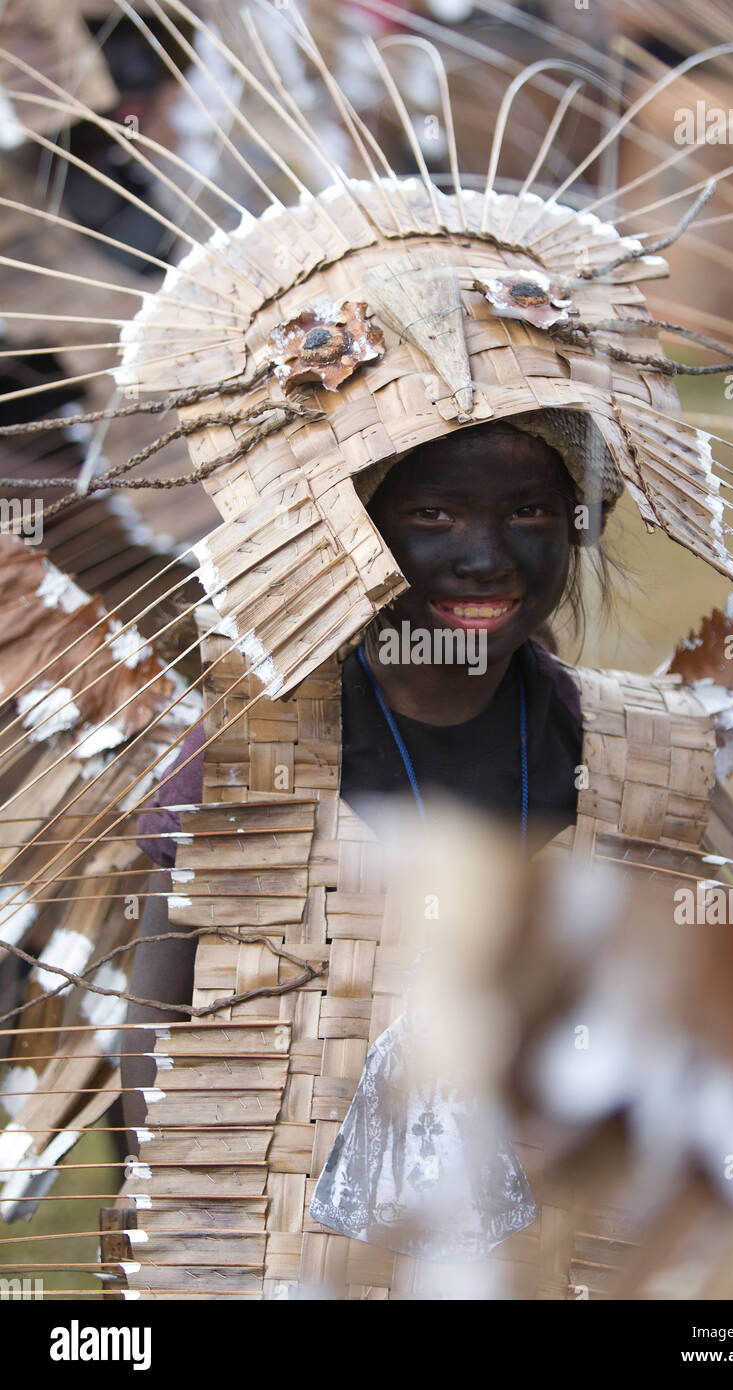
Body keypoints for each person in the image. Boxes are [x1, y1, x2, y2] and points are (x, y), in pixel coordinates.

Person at [124, 418, 597, 1150]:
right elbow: (156, 1013)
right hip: (288, 1225)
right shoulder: (246, 755)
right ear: (355, 530)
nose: (485, 558)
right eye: (433, 514)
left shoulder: (609, 749)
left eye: (528, 511)